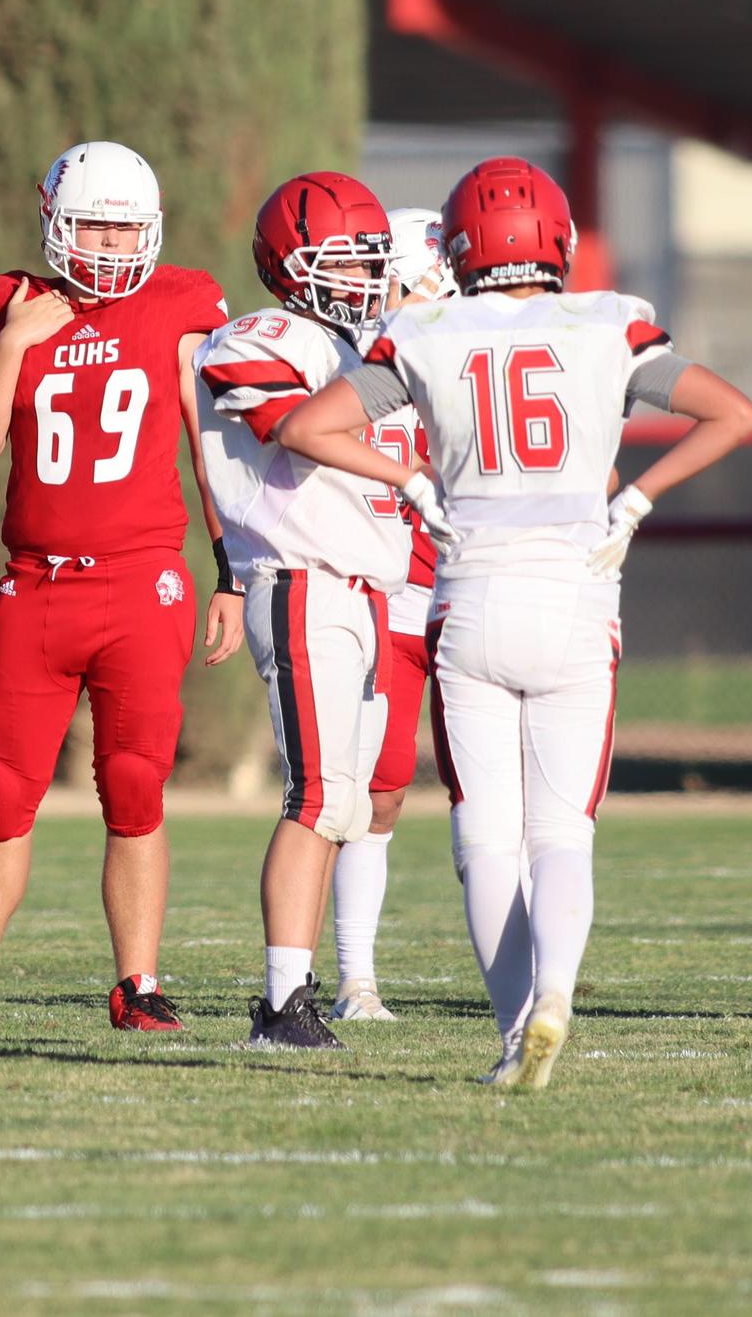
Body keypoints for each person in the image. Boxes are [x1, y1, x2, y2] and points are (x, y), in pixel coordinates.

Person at [273, 156, 752, 1087]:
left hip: (471, 597)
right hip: (578, 597)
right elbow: (732, 413)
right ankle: (557, 992)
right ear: (560, 242)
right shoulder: (608, 321)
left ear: (458, 248)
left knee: (485, 841)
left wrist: (412, 480)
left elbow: (304, 428)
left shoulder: (426, 329)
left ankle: (510, 1034)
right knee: (562, 834)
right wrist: (635, 501)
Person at [0, 141, 239, 1035]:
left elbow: (208, 445)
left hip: (141, 581)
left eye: (127, 228)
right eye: (94, 226)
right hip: (36, 582)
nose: (113, 244)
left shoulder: (178, 304)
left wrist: (231, 569)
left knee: (134, 783)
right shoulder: (12, 305)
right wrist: (13, 340)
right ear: (54, 223)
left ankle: (139, 983)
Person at [195, 170, 416, 1051]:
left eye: (372, 260)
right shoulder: (266, 335)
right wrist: (410, 475)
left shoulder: (360, 348)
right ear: (290, 265)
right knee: (317, 796)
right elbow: (287, 423)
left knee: (343, 806)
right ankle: (281, 1002)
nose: (365, 278)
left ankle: (299, 989)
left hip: (360, 590)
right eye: (345, 261)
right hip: (301, 582)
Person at [321, 206, 459, 1023]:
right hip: (386, 601)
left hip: (466, 597)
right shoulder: (348, 366)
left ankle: (527, 977)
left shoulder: (470, 363)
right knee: (375, 797)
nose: (370, 293)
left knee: (494, 800)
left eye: (387, 279)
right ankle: (356, 979)